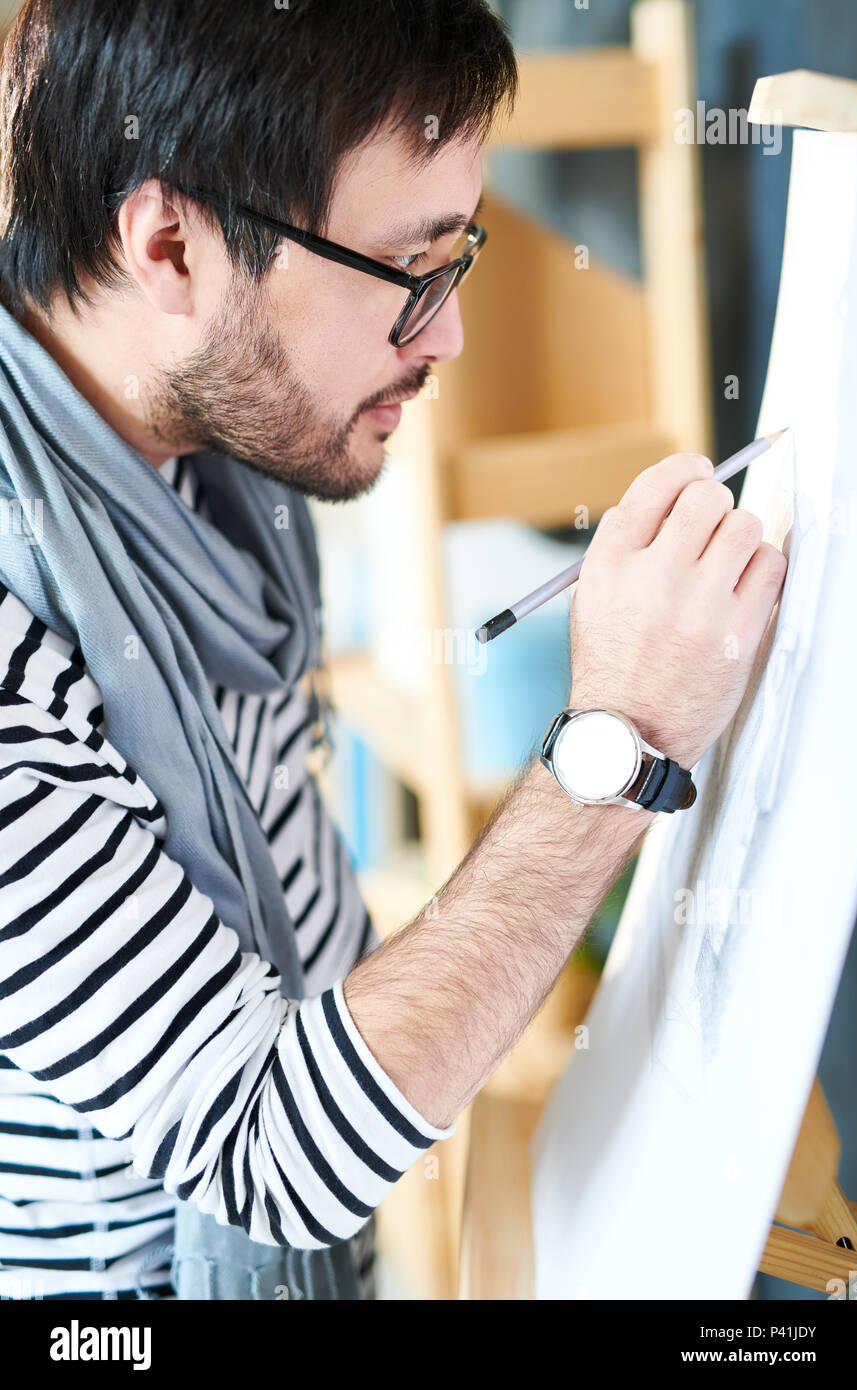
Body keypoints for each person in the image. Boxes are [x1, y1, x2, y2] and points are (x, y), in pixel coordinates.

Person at [0, 0, 786, 1300]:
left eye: (457, 256)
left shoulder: (208, 452)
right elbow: (264, 1145)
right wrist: (622, 733)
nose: (446, 337)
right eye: (408, 270)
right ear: (170, 244)